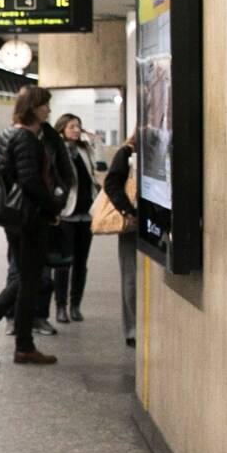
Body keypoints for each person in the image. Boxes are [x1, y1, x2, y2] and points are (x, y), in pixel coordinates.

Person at [0, 85, 72, 366]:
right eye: (44, 106)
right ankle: (21, 345)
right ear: (33, 108)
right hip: (29, 219)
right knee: (29, 281)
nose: (48, 110)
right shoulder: (26, 139)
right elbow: (30, 180)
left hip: (13, 218)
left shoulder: (7, 134)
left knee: (24, 277)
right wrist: (52, 207)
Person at [51, 114, 98, 324]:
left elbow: (100, 167)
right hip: (67, 214)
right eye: (72, 127)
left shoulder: (85, 149)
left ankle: (75, 305)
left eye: (79, 126)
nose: (77, 130)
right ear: (62, 130)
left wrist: (96, 142)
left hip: (86, 214)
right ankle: (60, 306)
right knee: (63, 262)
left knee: (81, 262)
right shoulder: (58, 152)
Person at [101, 135, 139, 346]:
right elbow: (111, 183)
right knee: (131, 275)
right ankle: (132, 329)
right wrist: (127, 210)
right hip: (131, 222)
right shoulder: (127, 152)